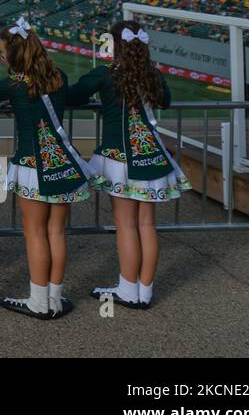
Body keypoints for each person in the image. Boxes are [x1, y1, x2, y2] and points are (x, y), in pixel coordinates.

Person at [68, 20, 190, 310]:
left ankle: (127, 288)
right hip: (150, 156)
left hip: (119, 158)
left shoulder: (105, 74)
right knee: (146, 225)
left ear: (116, 45)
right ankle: (144, 291)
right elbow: (167, 100)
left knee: (125, 226)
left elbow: (73, 96)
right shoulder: (152, 75)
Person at [0, 17, 91, 320]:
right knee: (56, 231)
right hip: (63, 163)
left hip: (32, 165)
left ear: (12, 55)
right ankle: (54, 299)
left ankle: (38, 302)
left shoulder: (13, 84)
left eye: (3, 53)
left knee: (35, 234)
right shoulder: (59, 76)